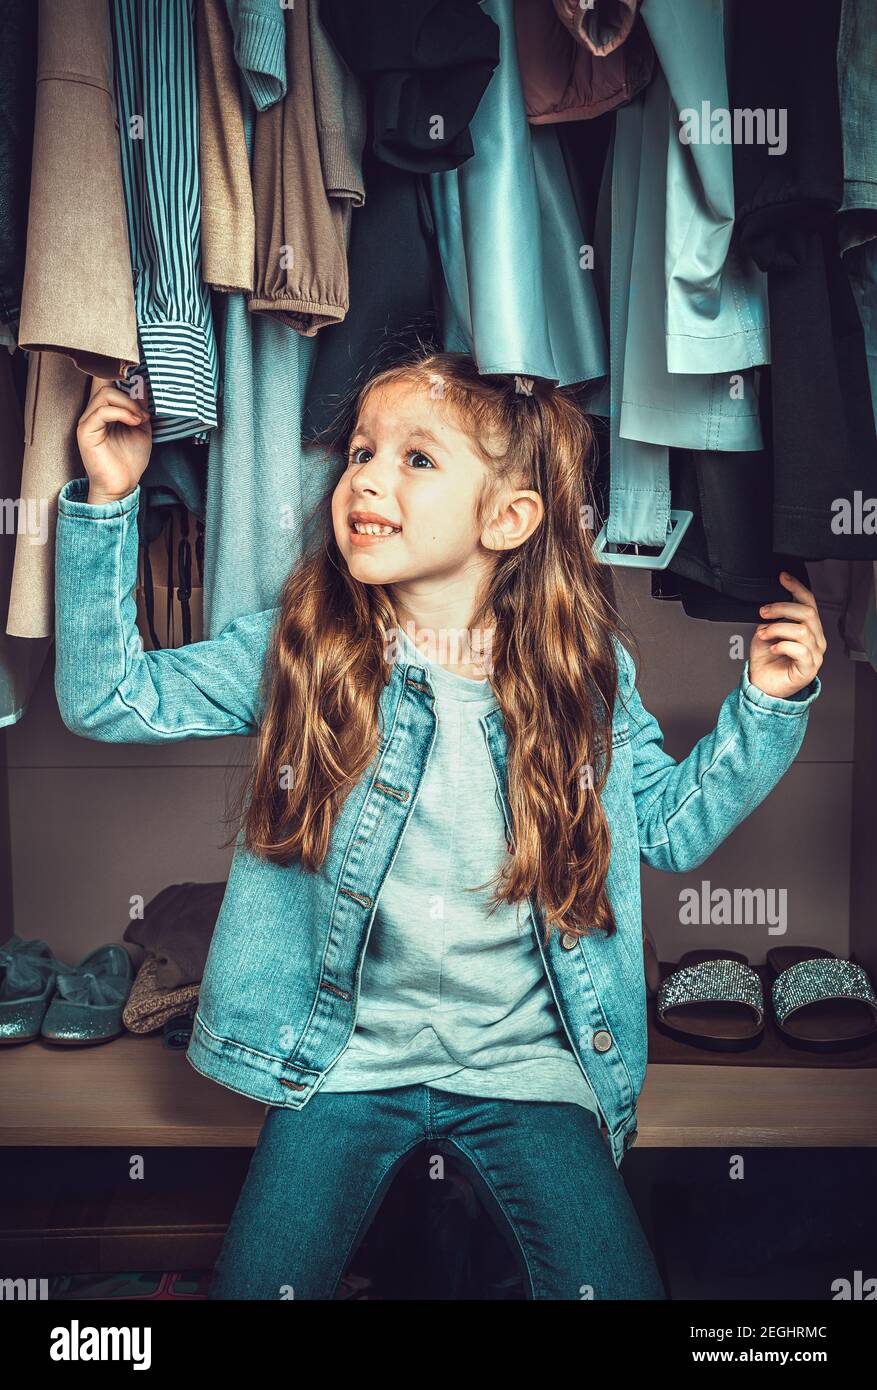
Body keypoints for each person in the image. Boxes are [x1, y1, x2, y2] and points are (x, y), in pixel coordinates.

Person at [56, 350, 825, 1300]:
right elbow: (108, 698)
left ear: (506, 519)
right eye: (360, 453)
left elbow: (664, 829)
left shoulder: (578, 680)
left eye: (417, 459)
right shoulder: (300, 648)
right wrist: (107, 500)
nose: (366, 478)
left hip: (527, 1069)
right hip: (338, 1063)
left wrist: (766, 709)